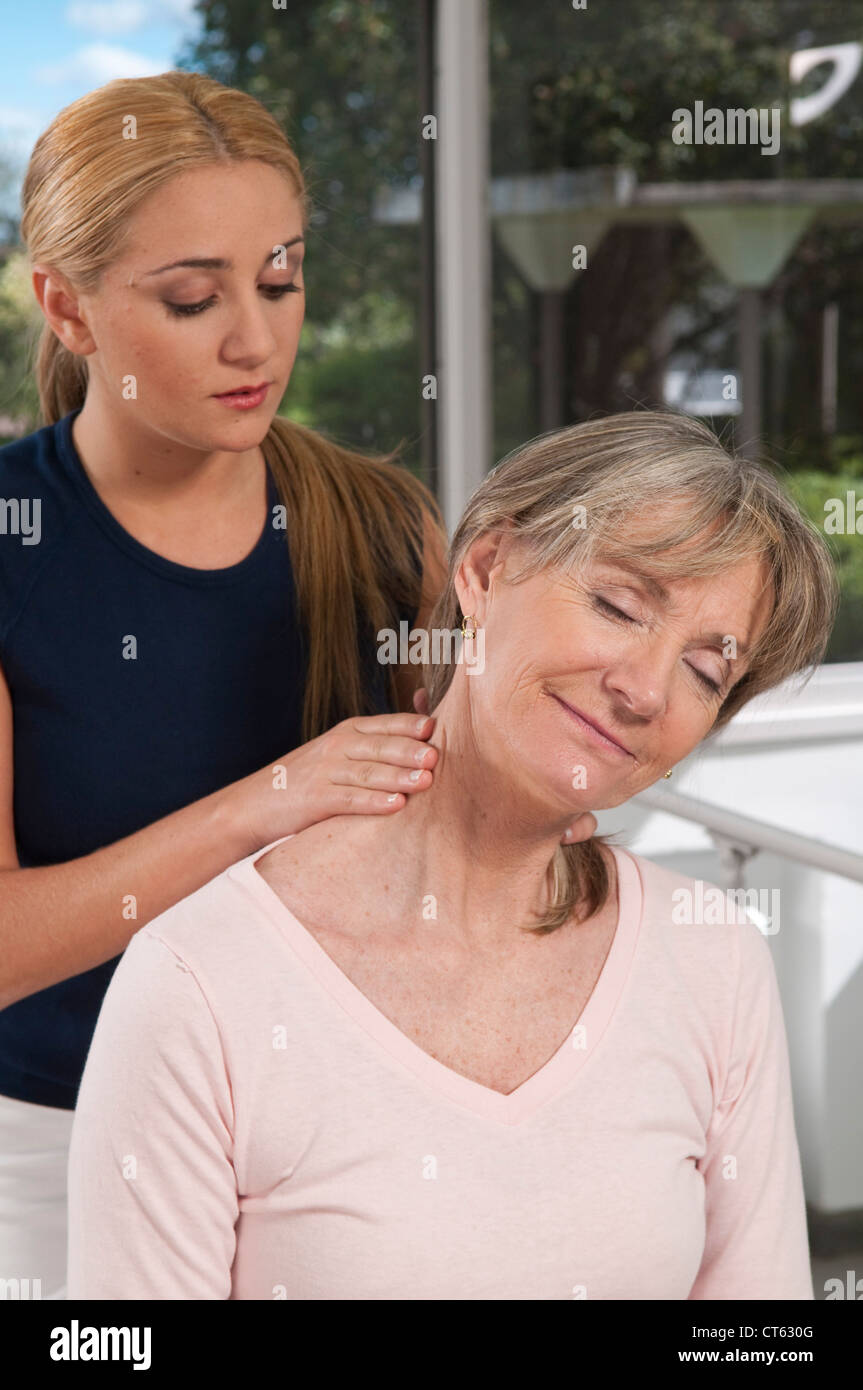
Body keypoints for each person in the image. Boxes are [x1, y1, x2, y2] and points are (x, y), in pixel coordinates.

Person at [1, 69, 597, 1301]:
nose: (256, 339)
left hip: (341, 1134)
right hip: (52, 1159)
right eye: (189, 297)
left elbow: (460, 838)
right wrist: (265, 800)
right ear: (66, 306)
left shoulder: (380, 526)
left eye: (279, 279)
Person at [67, 408, 838, 1299]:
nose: (643, 690)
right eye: (618, 606)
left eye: (706, 672)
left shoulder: (712, 957)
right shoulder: (200, 981)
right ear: (483, 569)